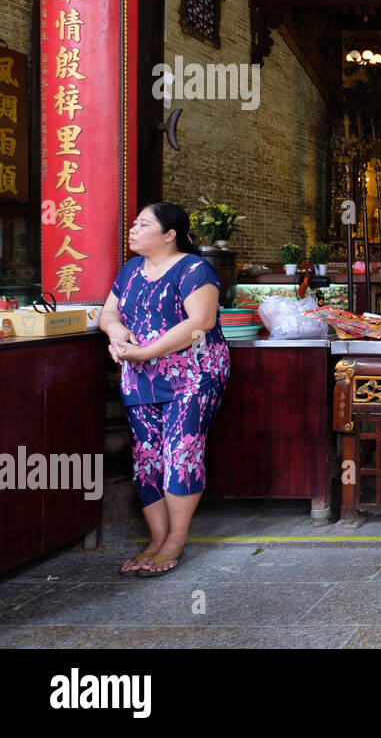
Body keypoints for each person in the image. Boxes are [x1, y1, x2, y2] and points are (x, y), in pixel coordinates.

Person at [99, 203, 231, 576]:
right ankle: (156, 539)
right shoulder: (130, 271)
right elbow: (108, 313)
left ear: (169, 234)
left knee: (180, 451)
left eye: (143, 224)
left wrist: (144, 351)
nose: (133, 229)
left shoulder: (193, 269)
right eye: (134, 223)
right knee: (147, 456)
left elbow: (201, 322)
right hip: (140, 376)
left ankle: (176, 539)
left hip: (192, 374)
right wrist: (117, 333)